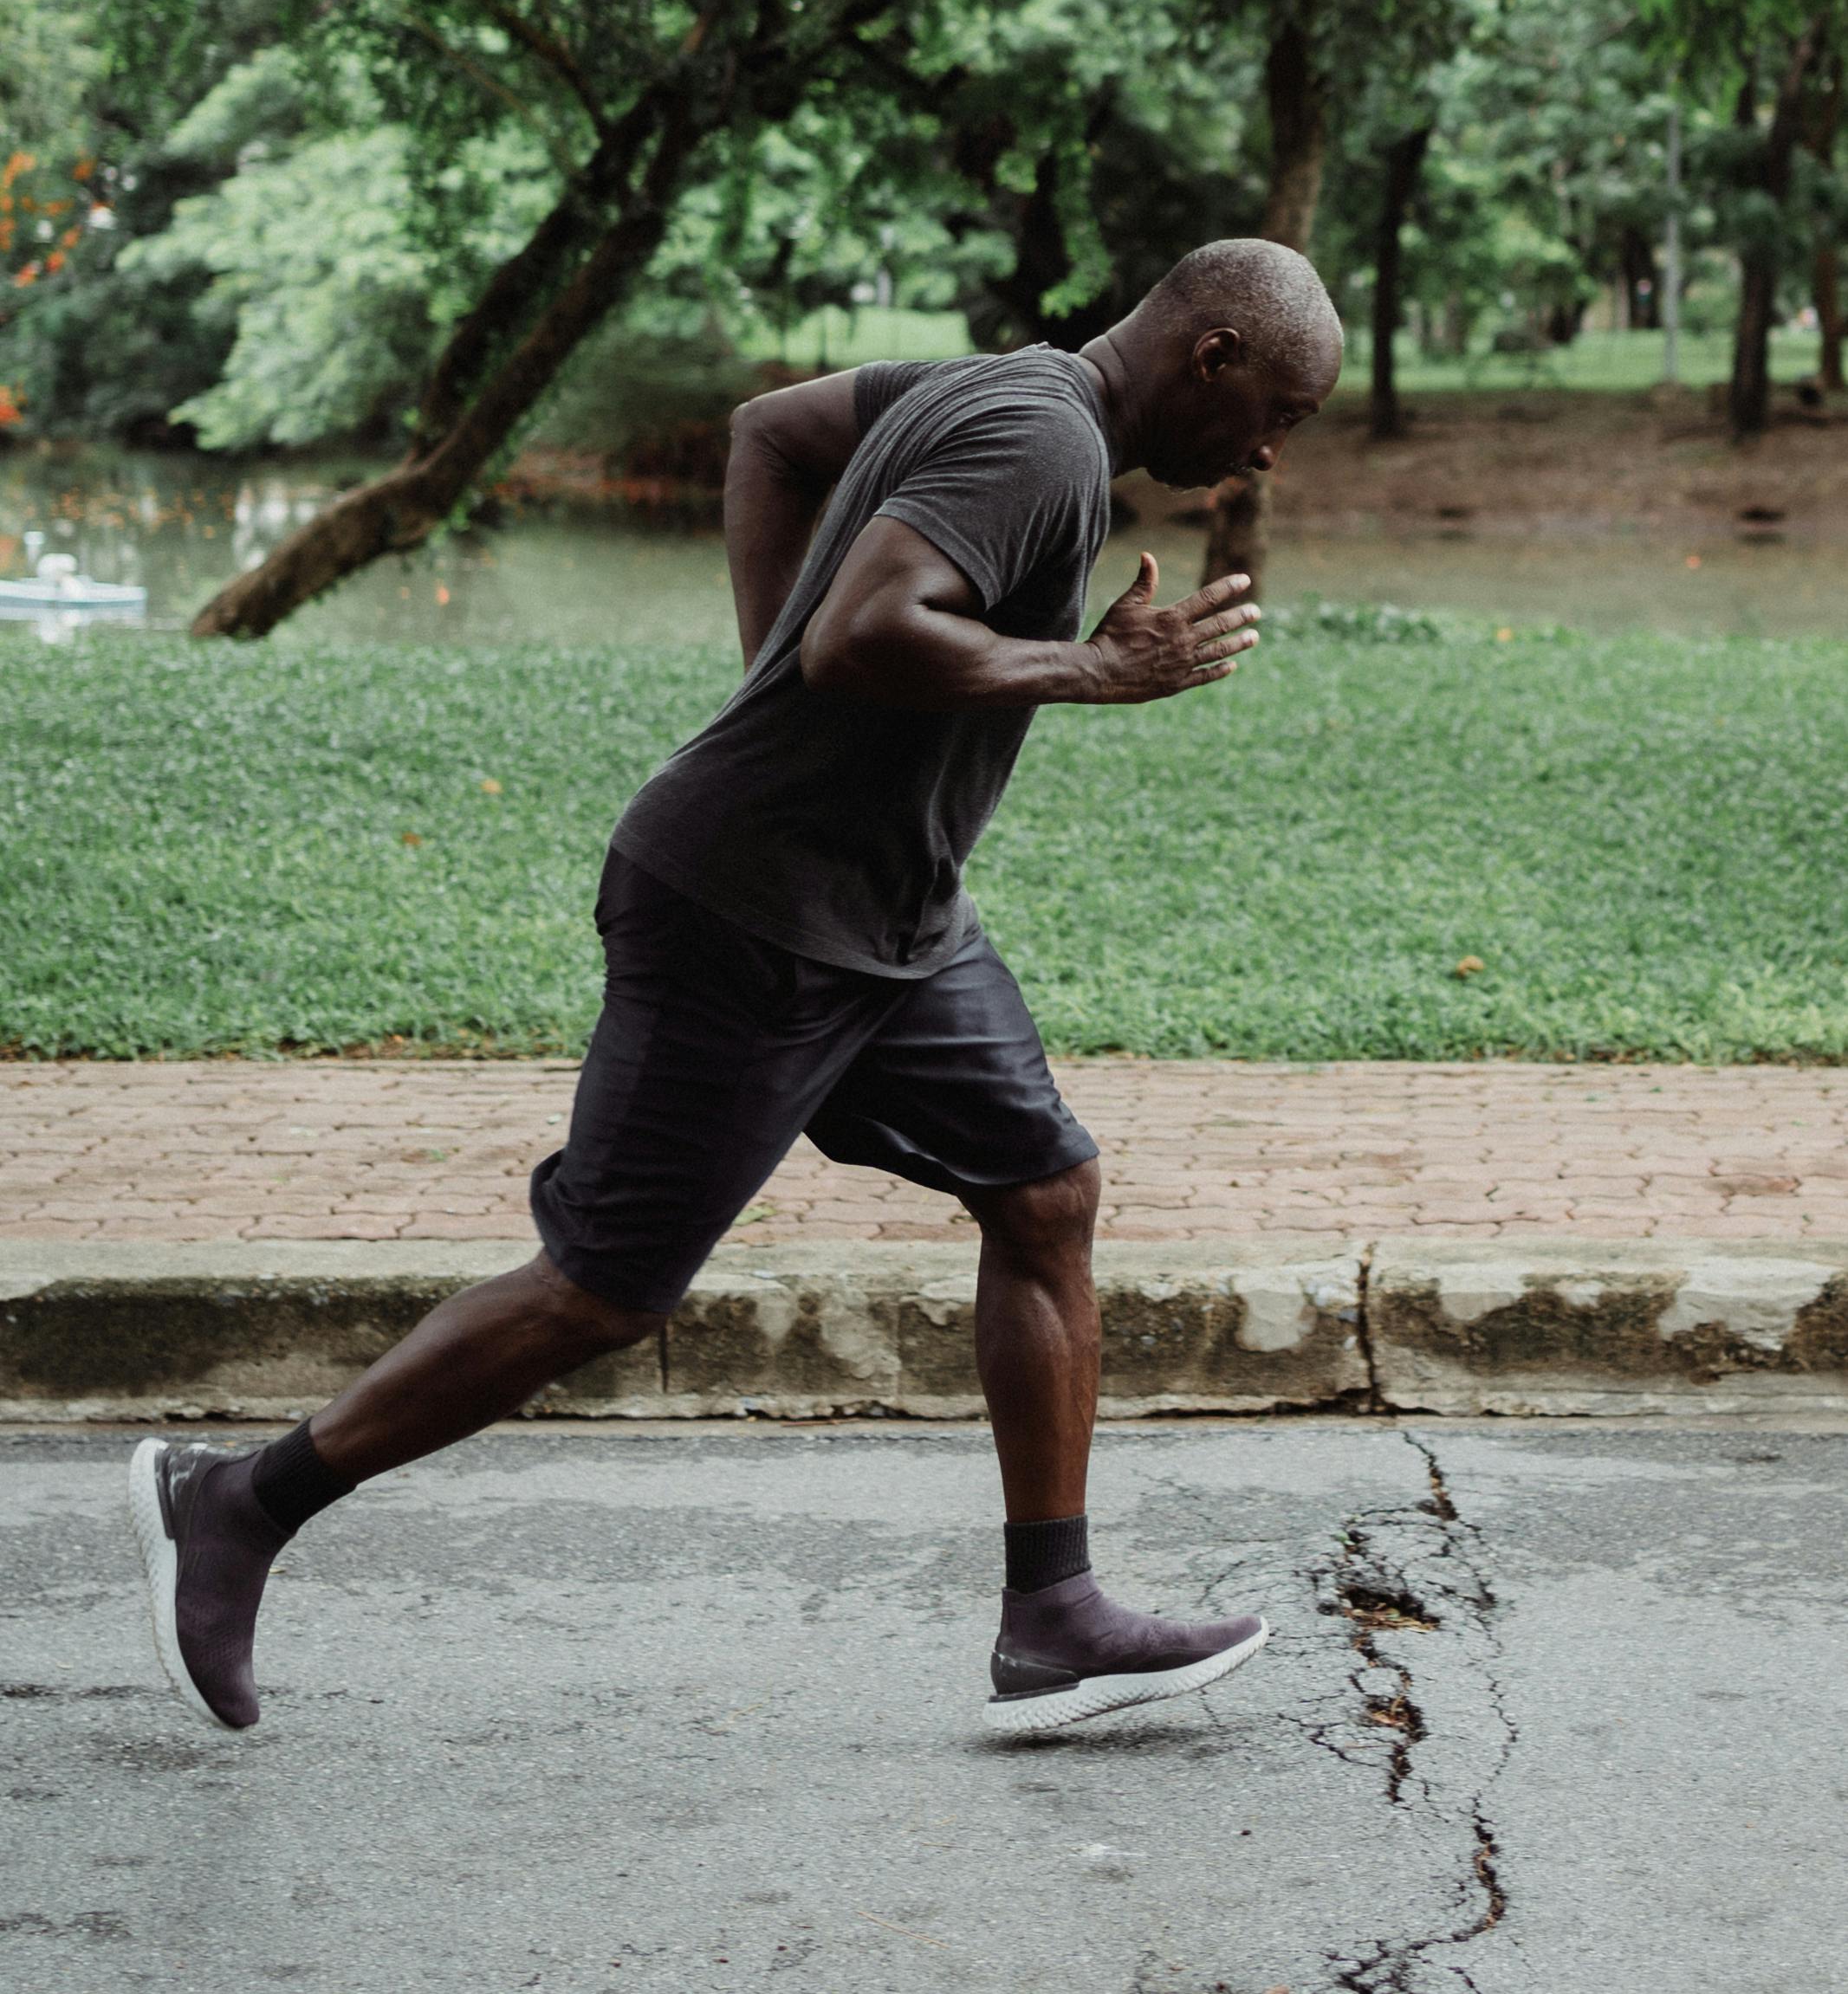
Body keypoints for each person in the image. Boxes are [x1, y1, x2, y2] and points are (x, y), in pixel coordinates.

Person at [130, 237, 1343, 1738]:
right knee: (599, 1292)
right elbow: (864, 635)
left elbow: (768, 429)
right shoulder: (1043, 442)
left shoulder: (994, 391)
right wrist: (1093, 673)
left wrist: (766, 662)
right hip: (748, 911)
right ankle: (238, 1502)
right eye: (1274, 409)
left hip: (893, 917)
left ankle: (1053, 1616)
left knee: (1046, 1197)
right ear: (1209, 354)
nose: (1269, 455)